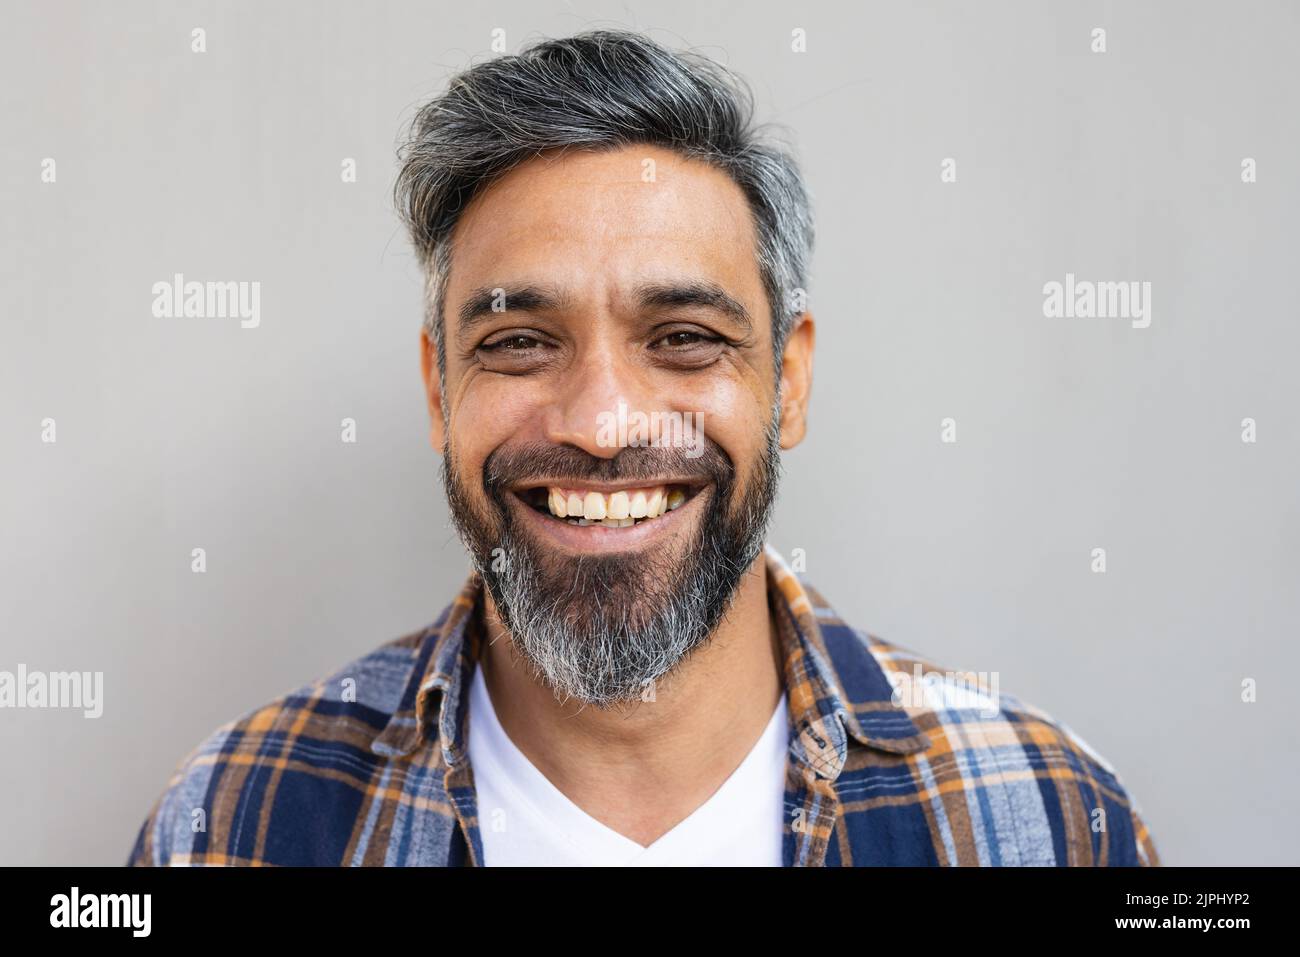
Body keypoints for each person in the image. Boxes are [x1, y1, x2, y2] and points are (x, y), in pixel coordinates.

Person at [129, 29, 1158, 867]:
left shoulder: (1044, 819)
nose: (604, 423)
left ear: (787, 381)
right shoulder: (234, 824)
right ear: (439, 388)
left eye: (684, 340)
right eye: (519, 344)